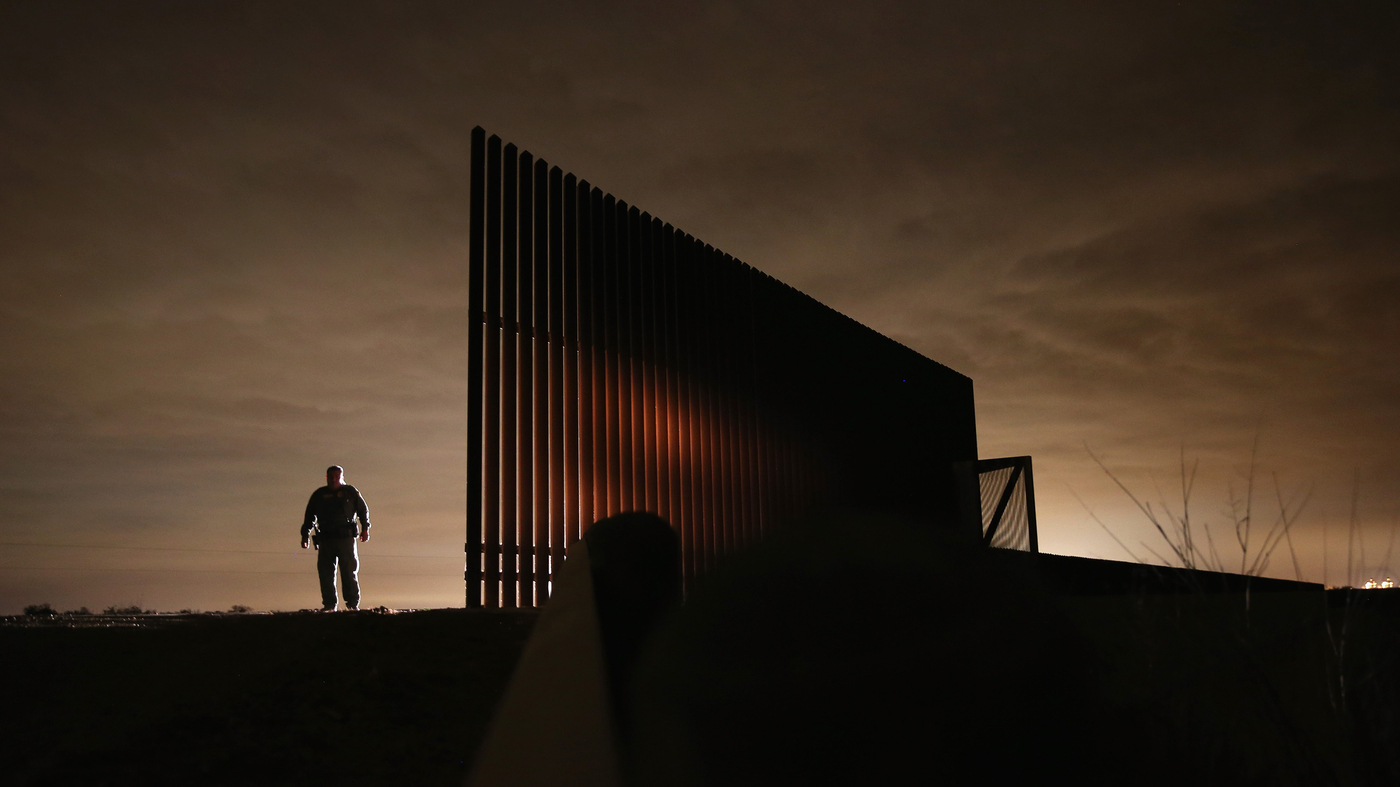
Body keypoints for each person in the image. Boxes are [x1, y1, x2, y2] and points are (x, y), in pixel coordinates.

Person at [301, 465, 372, 611]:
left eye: (337, 477)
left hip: (345, 538)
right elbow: (309, 516)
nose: (334, 480)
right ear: (327, 478)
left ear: (342, 477)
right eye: (331, 477)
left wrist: (365, 529)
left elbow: (363, 511)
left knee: (348, 571)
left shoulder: (350, 492)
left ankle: (352, 604)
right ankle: (329, 604)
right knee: (325, 573)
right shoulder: (319, 495)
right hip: (326, 539)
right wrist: (305, 535)